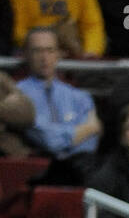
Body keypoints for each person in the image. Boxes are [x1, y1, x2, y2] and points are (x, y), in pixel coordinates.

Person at [16, 27, 101, 183]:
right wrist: (87, 128)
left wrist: (62, 138)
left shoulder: (79, 96)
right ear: (26, 54)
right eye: (37, 51)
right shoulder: (18, 95)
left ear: (59, 54)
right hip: (40, 171)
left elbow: (89, 146)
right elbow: (49, 141)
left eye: (50, 50)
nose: (44, 57)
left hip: (80, 170)